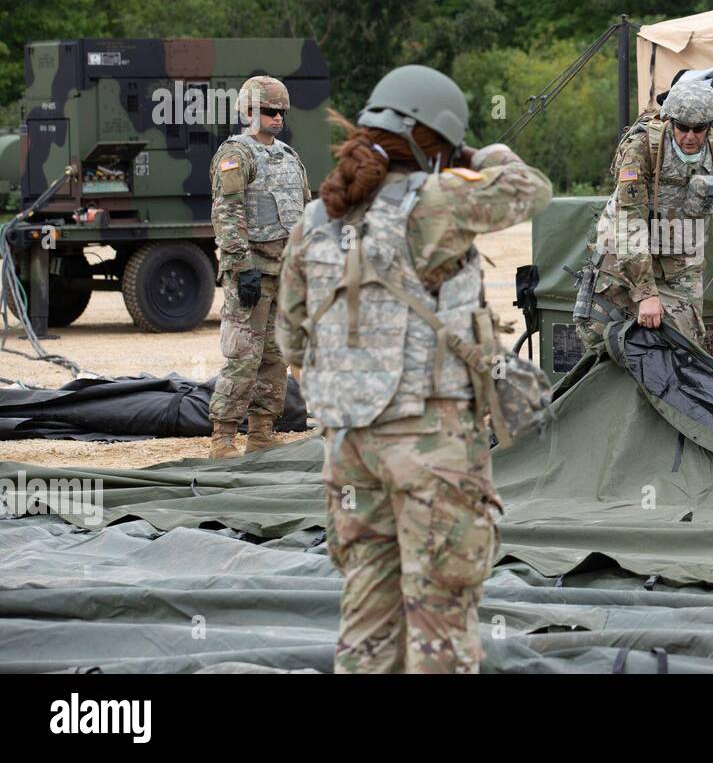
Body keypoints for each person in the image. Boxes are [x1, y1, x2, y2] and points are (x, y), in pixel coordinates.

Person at [276, 65, 551, 674]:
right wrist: (485, 153)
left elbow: (291, 337)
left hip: (348, 448)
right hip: (431, 445)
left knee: (366, 622)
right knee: (440, 622)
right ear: (436, 141)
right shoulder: (438, 201)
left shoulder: (316, 219)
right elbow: (531, 189)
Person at [574, 80, 713, 349]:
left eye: (698, 129)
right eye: (682, 127)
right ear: (670, 120)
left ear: (710, 126)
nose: (690, 136)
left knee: (684, 346)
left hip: (680, 256)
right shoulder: (640, 150)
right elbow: (630, 224)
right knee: (599, 339)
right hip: (622, 250)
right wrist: (646, 293)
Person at [208, 75, 309, 458]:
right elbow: (228, 214)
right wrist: (240, 265)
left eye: (282, 111)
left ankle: (262, 431)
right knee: (243, 355)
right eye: (270, 111)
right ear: (248, 112)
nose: (278, 117)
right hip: (251, 271)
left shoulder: (287, 155)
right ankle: (223, 435)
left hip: (284, 271)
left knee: (275, 355)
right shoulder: (236, 155)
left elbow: (302, 209)